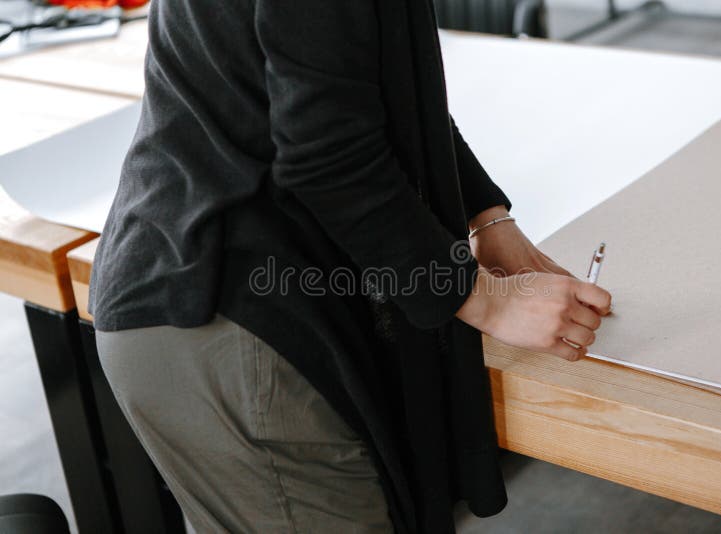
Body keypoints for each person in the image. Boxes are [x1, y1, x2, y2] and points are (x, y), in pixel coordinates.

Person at [89, 0, 612, 532]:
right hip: (227, 319)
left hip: (208, 288)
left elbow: (365, 93)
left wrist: (488, 218)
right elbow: (329, 153)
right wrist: (481, 298)